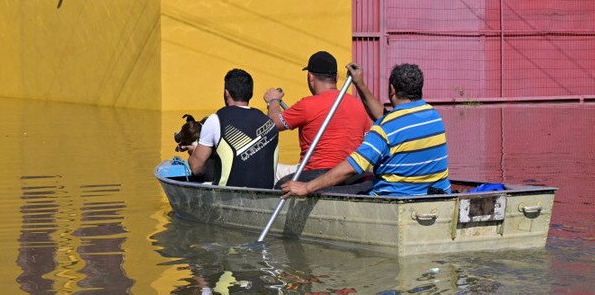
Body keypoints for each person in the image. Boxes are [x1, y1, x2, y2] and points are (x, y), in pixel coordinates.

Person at [280, 62, 450, 198]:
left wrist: (307, 187)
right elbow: (386, 117)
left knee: (316, 190)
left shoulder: (385, 128)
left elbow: (351, 167)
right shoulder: (434, 117)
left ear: (392, 89)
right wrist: (359, 84)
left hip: (394, 198)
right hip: (435, 196)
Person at [262, 51, 371, 184]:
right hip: (349, 176)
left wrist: (273, 101)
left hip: (312, 174)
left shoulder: (307, 105)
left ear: (310, 77)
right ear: (337, 77)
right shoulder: (359, 105)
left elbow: (273, 124)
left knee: (266, 169)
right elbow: (367, 141)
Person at [186, 68, 280, 188]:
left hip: (226, 195)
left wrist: (194, 152)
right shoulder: (270, 122)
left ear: (226, 92)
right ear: (250, 94)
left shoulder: (216, 119)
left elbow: (196, 167)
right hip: (265, 195)